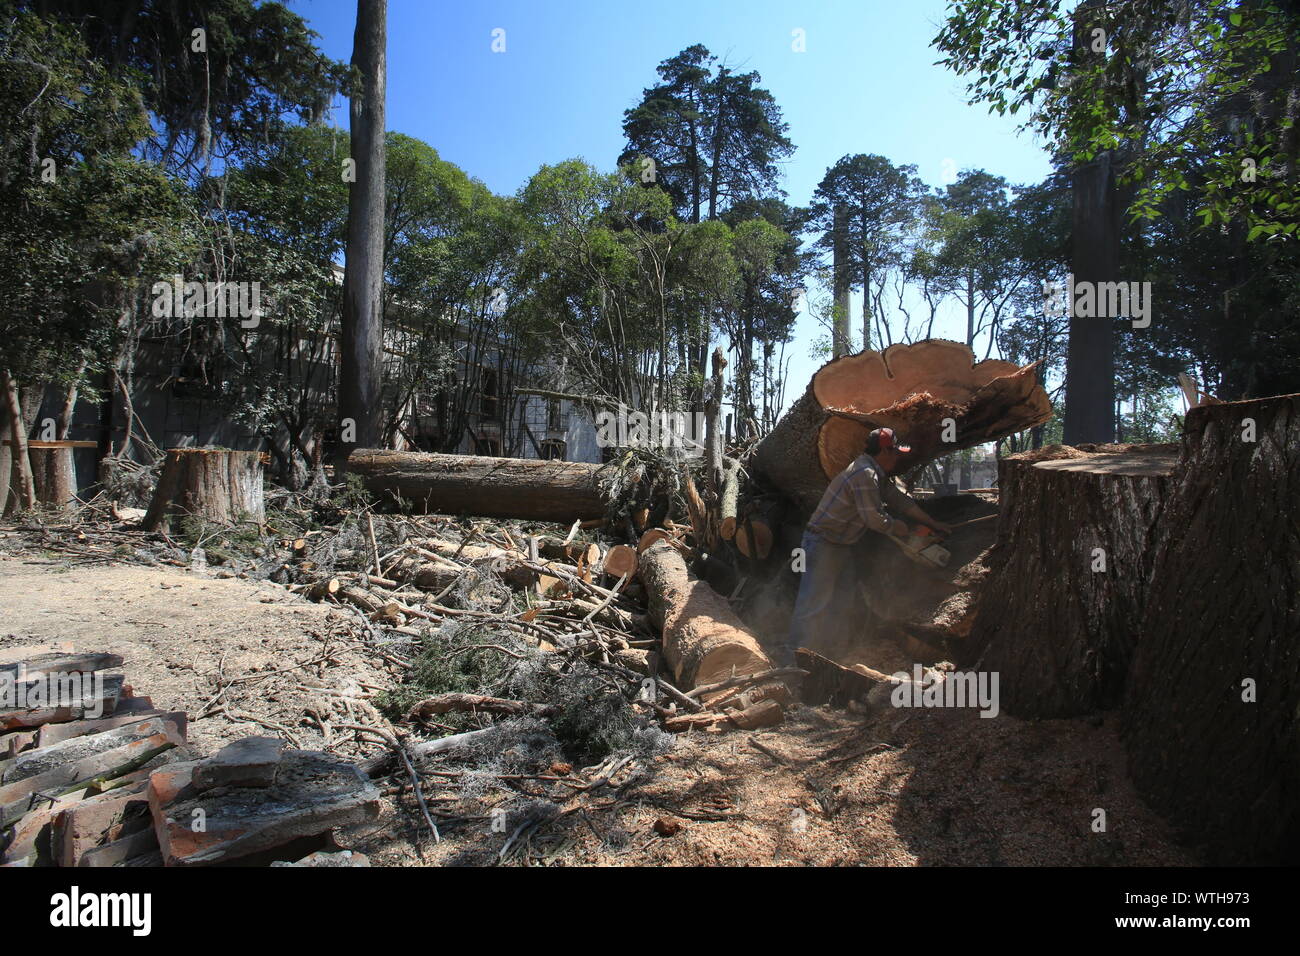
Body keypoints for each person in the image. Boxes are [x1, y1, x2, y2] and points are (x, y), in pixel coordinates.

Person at [785, 427, 952, 660]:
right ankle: (792, 661)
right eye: (895, 452)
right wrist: (899, 528)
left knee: (843, 600)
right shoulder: (864, 474)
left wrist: (932, 523)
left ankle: (829, 655)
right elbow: (873, 519)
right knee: (813, 604)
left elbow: (899, 500)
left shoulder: (876, 473)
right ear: (884, 451)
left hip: (840, 544)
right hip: (823, 543)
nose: (897, 457)